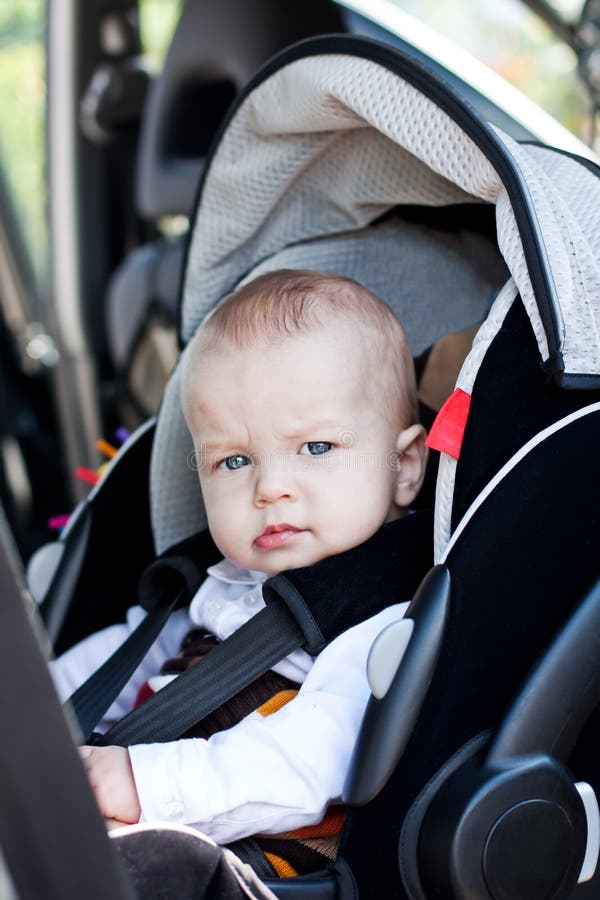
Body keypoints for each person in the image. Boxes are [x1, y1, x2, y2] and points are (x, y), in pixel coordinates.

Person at [50, 269, 428, 872]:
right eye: (234, 460)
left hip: (254, 858)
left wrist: (142, 783)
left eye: (316, 448)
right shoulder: (225, 581)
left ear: (403, 466)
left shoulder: (383, 618)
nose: (269, 487)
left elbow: (310, 760)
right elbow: (130, 653)